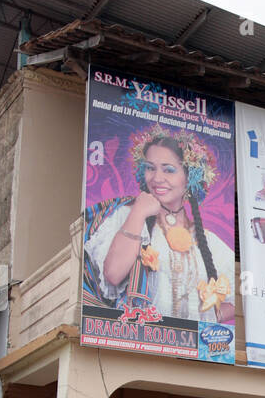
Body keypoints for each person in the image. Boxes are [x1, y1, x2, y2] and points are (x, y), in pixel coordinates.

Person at [83, 125, 234, 322]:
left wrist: (202, 320)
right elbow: (113, 274)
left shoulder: (208, 242)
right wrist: (138, 212)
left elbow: (237, 300)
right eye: (150, 168)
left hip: (189, 349)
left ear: (190, 177)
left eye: (169, 170)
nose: (157, 178)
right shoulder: (128, 216)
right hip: (135, 343)